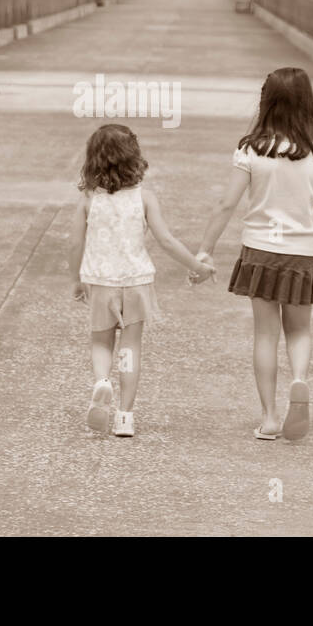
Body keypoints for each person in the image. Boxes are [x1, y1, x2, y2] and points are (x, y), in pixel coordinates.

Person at [195, 67, 313, 441]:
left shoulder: (249, 153)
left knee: (265, 335)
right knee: (300, 331)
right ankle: (301, 379)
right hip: (301, 256)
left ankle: (271, 418)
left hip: (260, 254)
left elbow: (226, 204)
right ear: (308, 107)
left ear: (265, 105)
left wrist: (205, 250)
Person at [69, 124, 215, 436]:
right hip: (135, 282)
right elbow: (166, 241)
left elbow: (74, 245)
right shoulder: (144, 198)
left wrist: (76, 279)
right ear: (134, 160)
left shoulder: (88, 201)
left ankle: (101, 382)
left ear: (92, 161)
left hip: (100, 280)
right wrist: (197, 266)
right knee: (130, 348)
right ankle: (125, 416)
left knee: (101, 341)